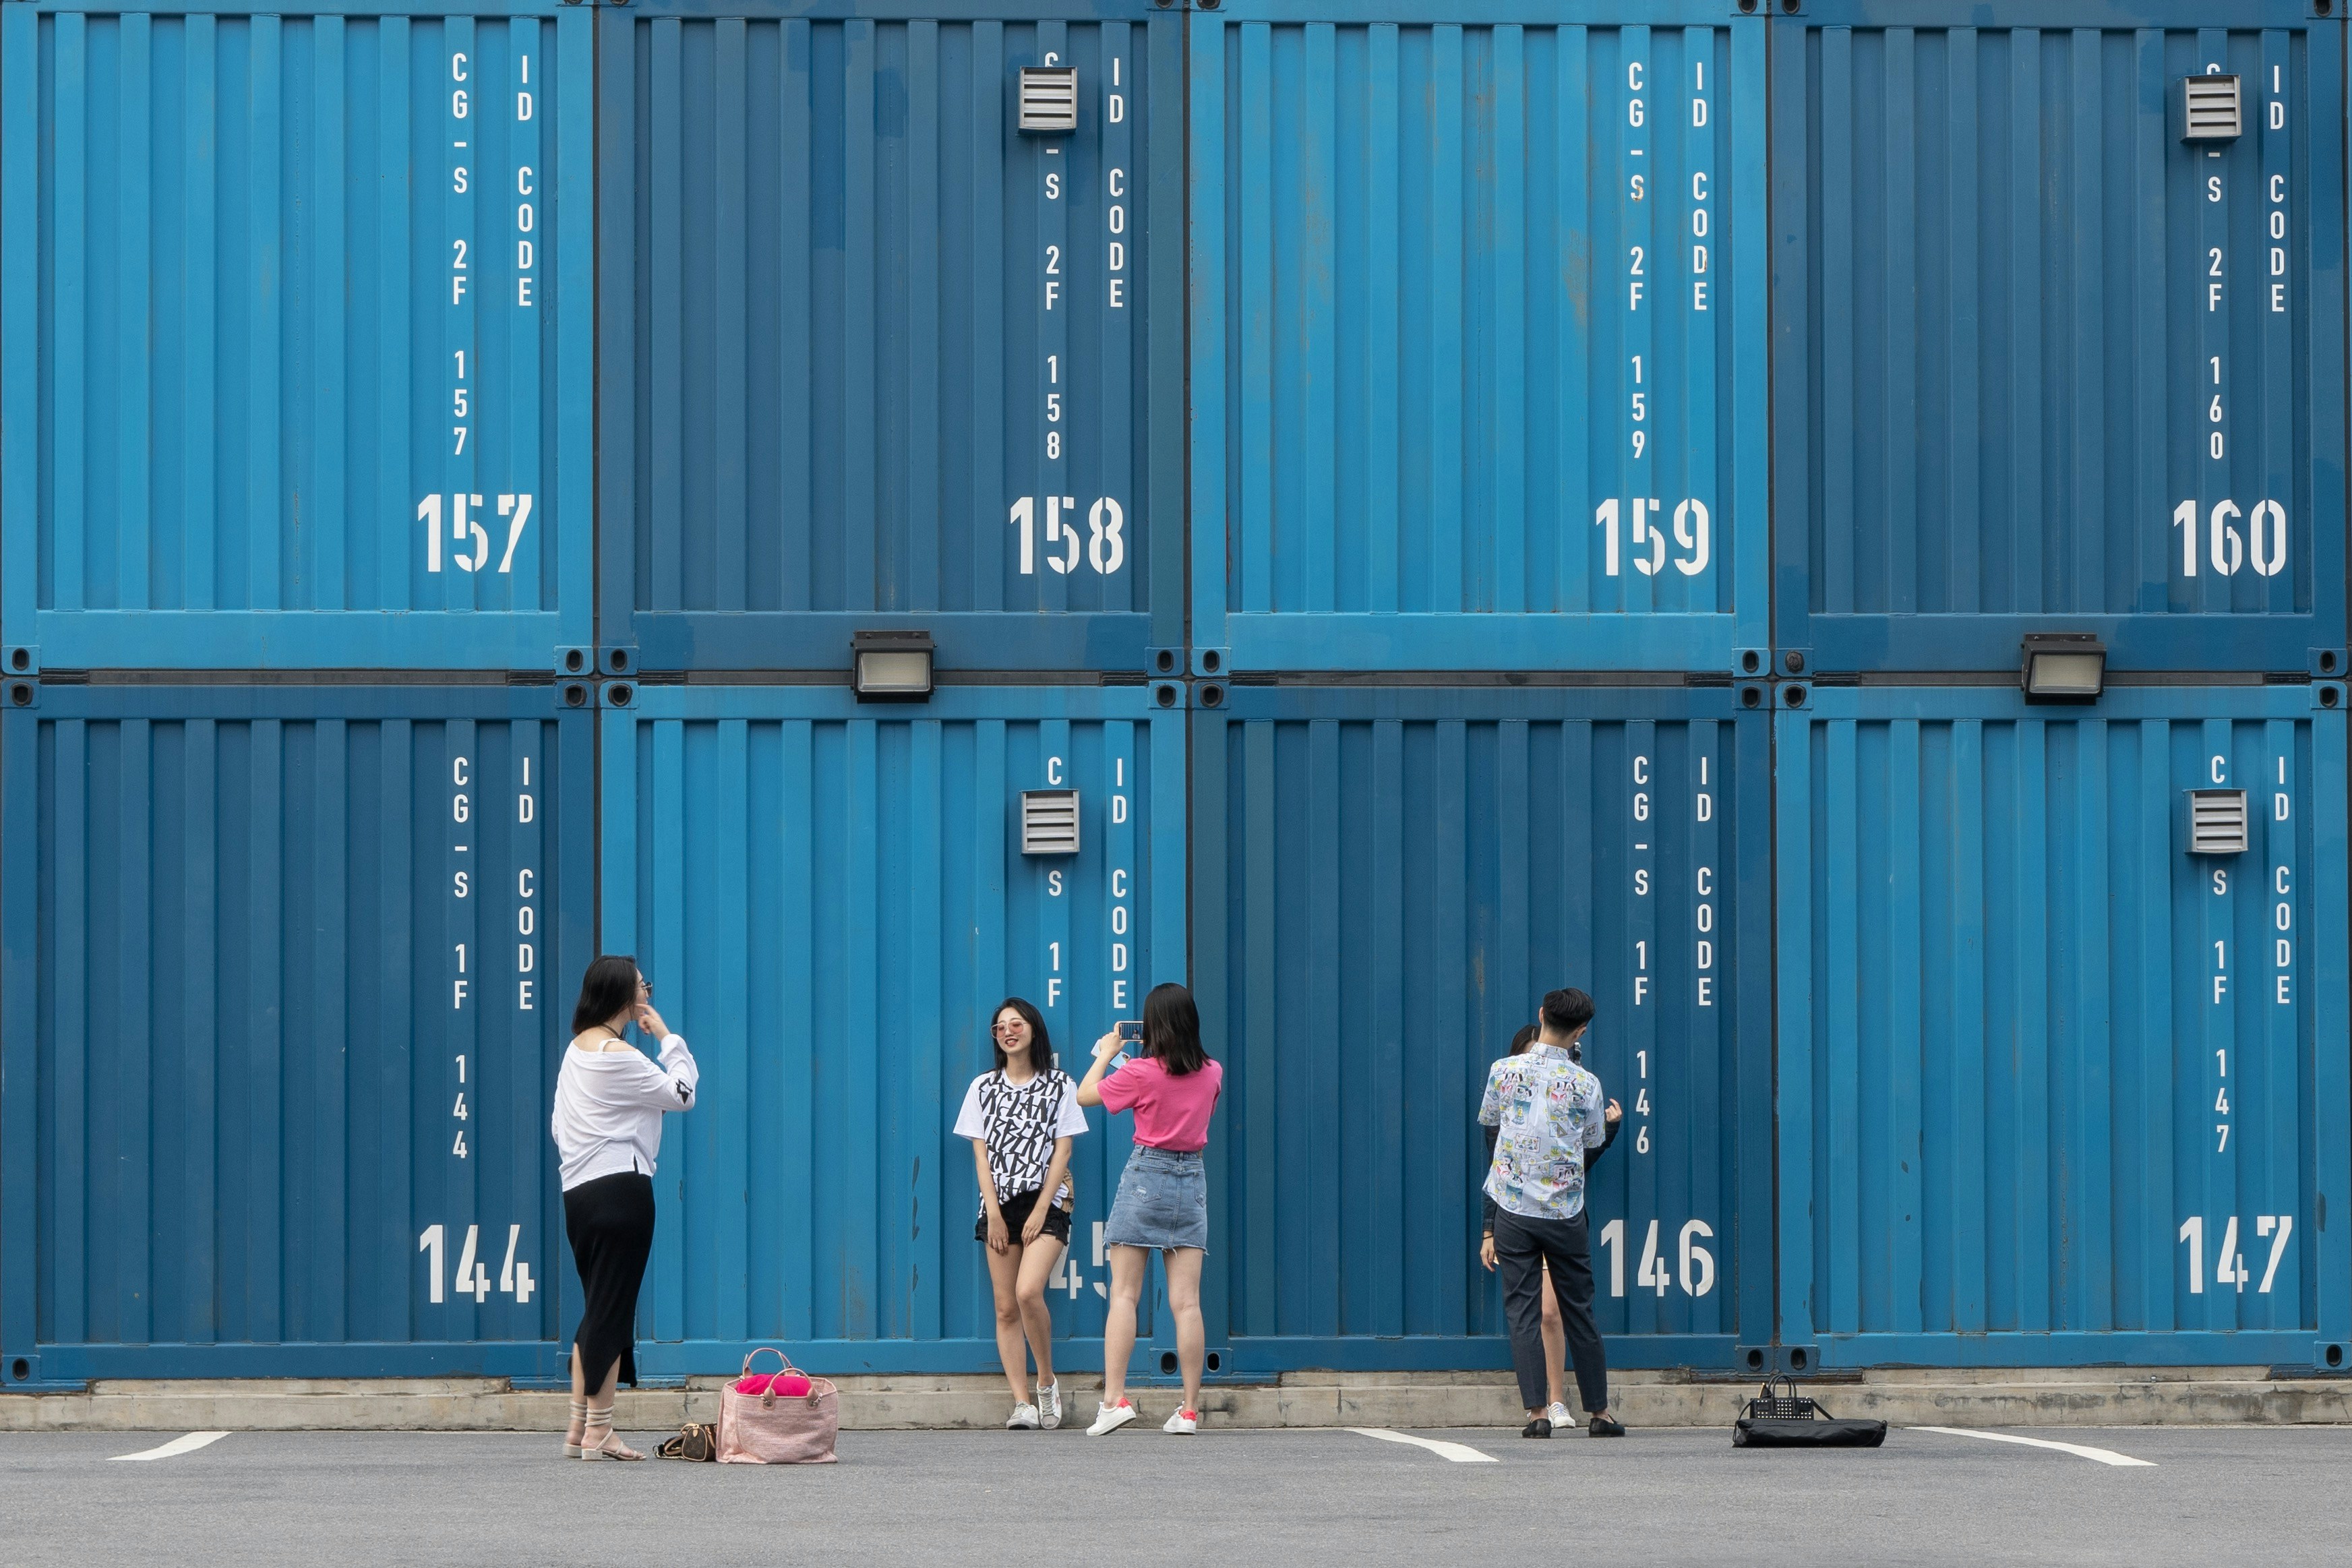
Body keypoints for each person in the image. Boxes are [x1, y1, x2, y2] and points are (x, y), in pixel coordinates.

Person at [551, 955, 699, 1460]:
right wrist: (668, 1039)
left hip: (580, 1192)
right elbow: (683, 1094)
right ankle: (600, 1431)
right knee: (612, 1312)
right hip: (621, 1188)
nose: (649, 996)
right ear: (624, 997)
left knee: (596, 1306)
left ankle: (577, 1428)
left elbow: (557, 1125)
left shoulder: (576, 1052)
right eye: (643, 988)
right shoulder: (621, 1056)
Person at [1076, 983, 1222, 1436]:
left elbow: (1085, 1096)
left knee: (1124, 1294)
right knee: (1187, 1303)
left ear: (1152, 1026)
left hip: (1146, 1176)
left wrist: (1104, 1053)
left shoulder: (1139, 1071)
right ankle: (1190, 1409)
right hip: (1190, 1180)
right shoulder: (1213, 1071)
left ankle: (1113, 1400)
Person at [1478, 988, 1623, 1439]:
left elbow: (1490, 1121)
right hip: (1563, 1211)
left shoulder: (1503, 1071)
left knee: (1520, 1311)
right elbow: (1592, 1139)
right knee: (1578, 1308)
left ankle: (1537, 1414)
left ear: (1541, 1015)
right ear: (1581, 1030)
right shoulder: (1587, 1083)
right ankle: (1599, 1413)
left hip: (1513, 1208)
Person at [953, 997, 1088, 1430]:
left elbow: (1064, 1149)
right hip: (999, 1205)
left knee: (1029, 1292)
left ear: (1034, 1029)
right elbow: (981, 1156)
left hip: (1047, 1201)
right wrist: (993, 1212)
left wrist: (1041, 1209)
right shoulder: (982, 1088)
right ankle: (1022, 1402)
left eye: (1017, 1023)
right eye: (1000, 1026)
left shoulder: (1060, 1085)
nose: (1009, 1031)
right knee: (1005, 1307)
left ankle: (1046, 1382)